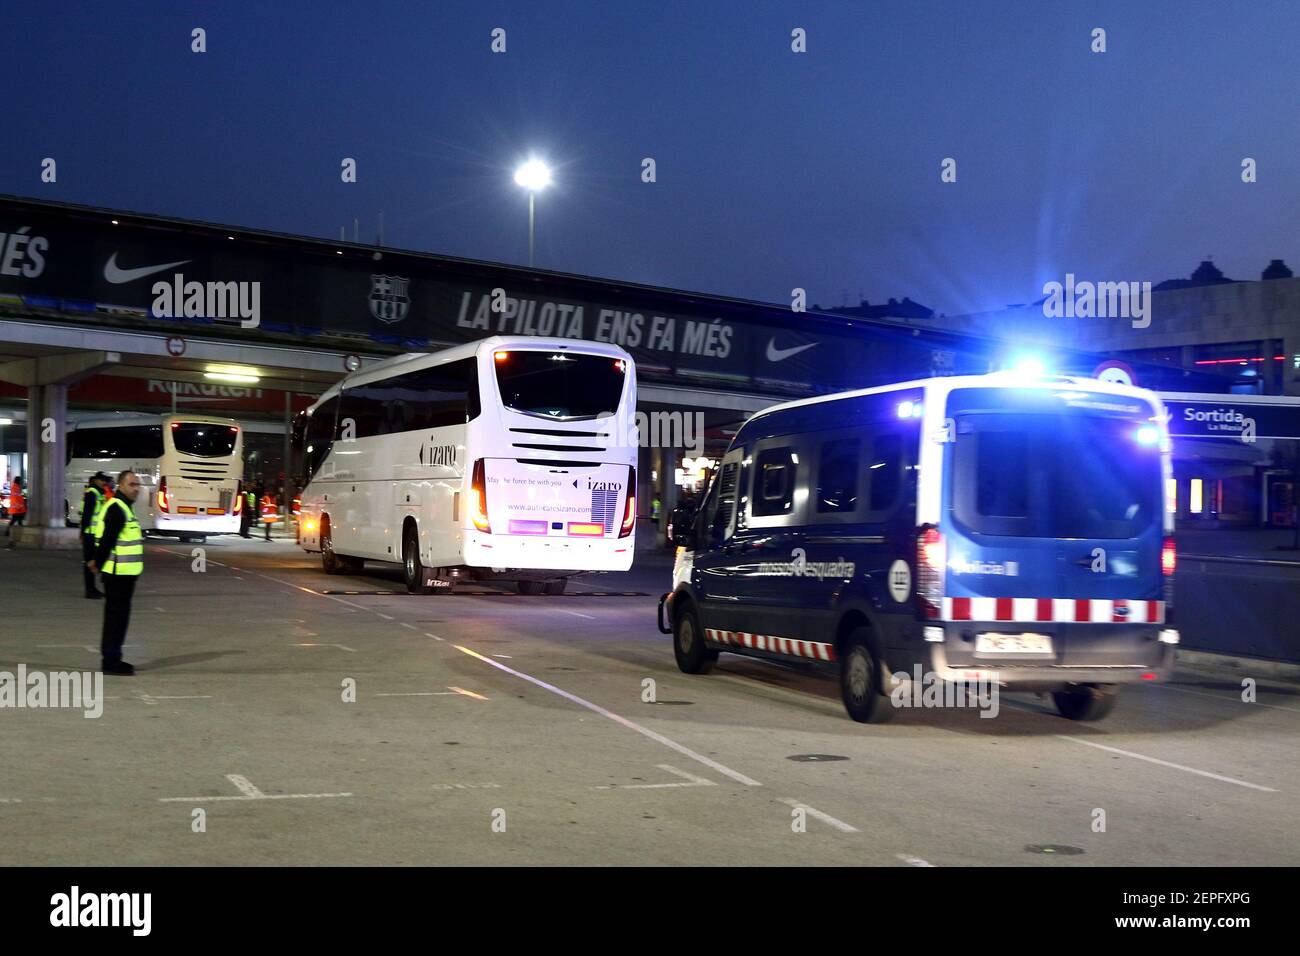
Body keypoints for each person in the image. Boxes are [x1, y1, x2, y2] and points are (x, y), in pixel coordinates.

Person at [87, 470, 144, 676]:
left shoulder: (124, 507)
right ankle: (111, 662)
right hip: (117, 574)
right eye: (132, 484)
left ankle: (113, 659)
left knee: (118, 619)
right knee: (115, 619)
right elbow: (108, 540)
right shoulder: (117, 508)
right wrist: (97, 562)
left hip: (124, 574)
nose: (136, 488)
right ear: (121, 486)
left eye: (137, 484)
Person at [80, 471, 113, 598]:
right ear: (96, 480)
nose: (104, 482)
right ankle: (90, 590)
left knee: (96, 561)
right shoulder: (92, 493)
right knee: (89, 562)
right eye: (102, 480)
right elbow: (87, 515)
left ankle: (93, 588)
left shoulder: (100, 493)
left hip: (96, 534)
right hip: (90, 535)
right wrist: (83, 532)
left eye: (106, 480)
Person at [4, 476, 26, 548]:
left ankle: (10, 531)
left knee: (16, 520)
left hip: (16, 508)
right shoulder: (16, 488)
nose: (21, 482)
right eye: (20, 480)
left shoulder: (15, 487)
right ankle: (16, 533)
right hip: (17, 508)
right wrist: (20, 506)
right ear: (18, 481)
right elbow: (18, 498)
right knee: (16, 520)